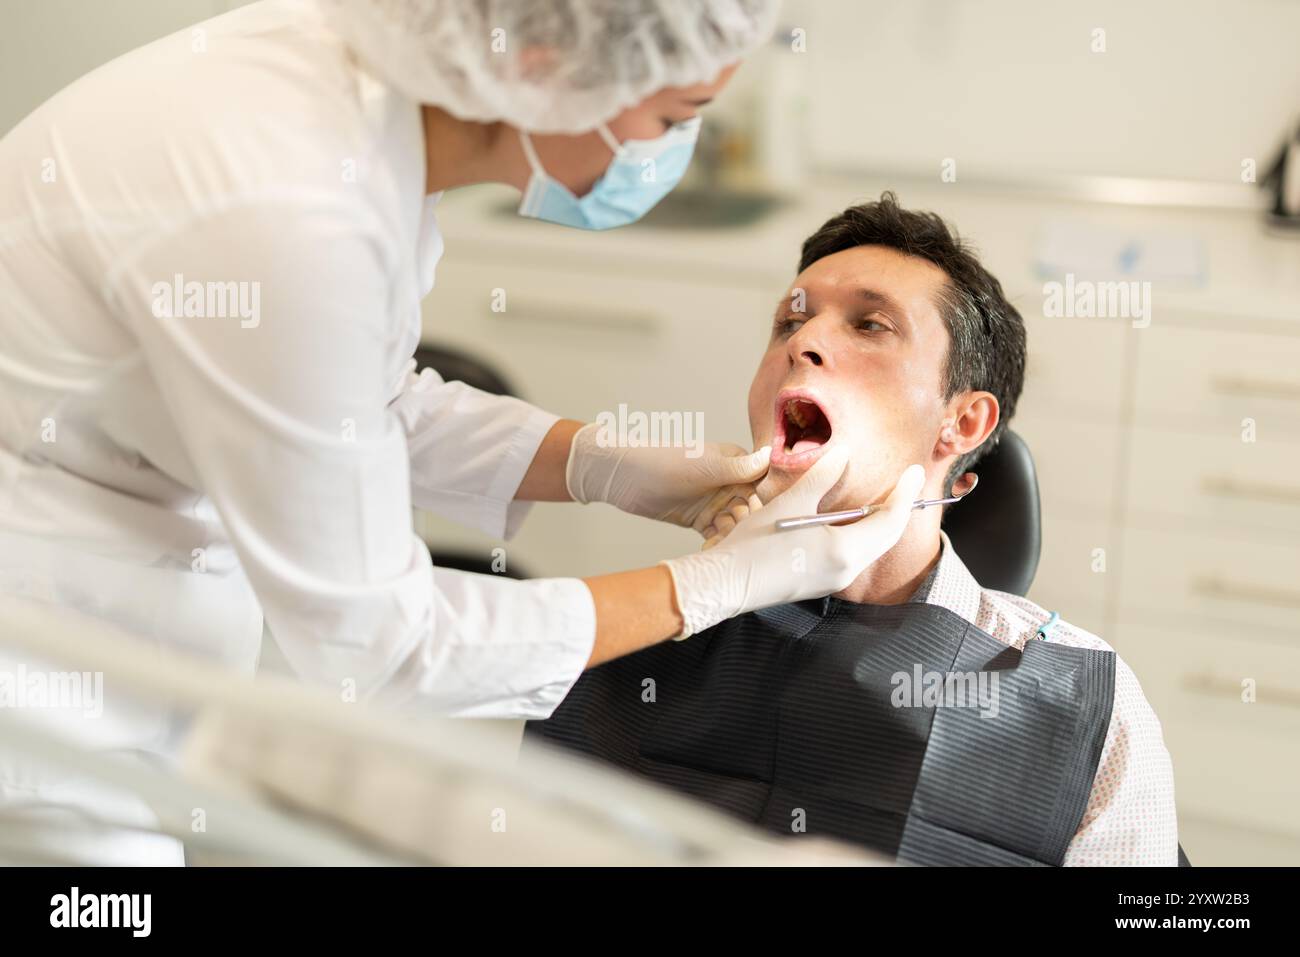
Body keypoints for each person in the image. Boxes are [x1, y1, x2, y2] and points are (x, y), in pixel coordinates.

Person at [0, 1, 928, 864]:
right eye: (672, 115)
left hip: (130, 626)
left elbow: (350, 400)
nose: (674, 150)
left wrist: (600, 464)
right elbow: (382, 645)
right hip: (42, 667)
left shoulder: (366, 110)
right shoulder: (286, 205)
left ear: (965, 428)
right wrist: (707, 586)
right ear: (543, 64)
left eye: (871, 327)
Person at [530, 193, 1179, 867]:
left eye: (871, 325)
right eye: (789, 321)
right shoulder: (638, 632)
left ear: (962, 424)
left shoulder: (1084, 708)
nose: (802, 342)